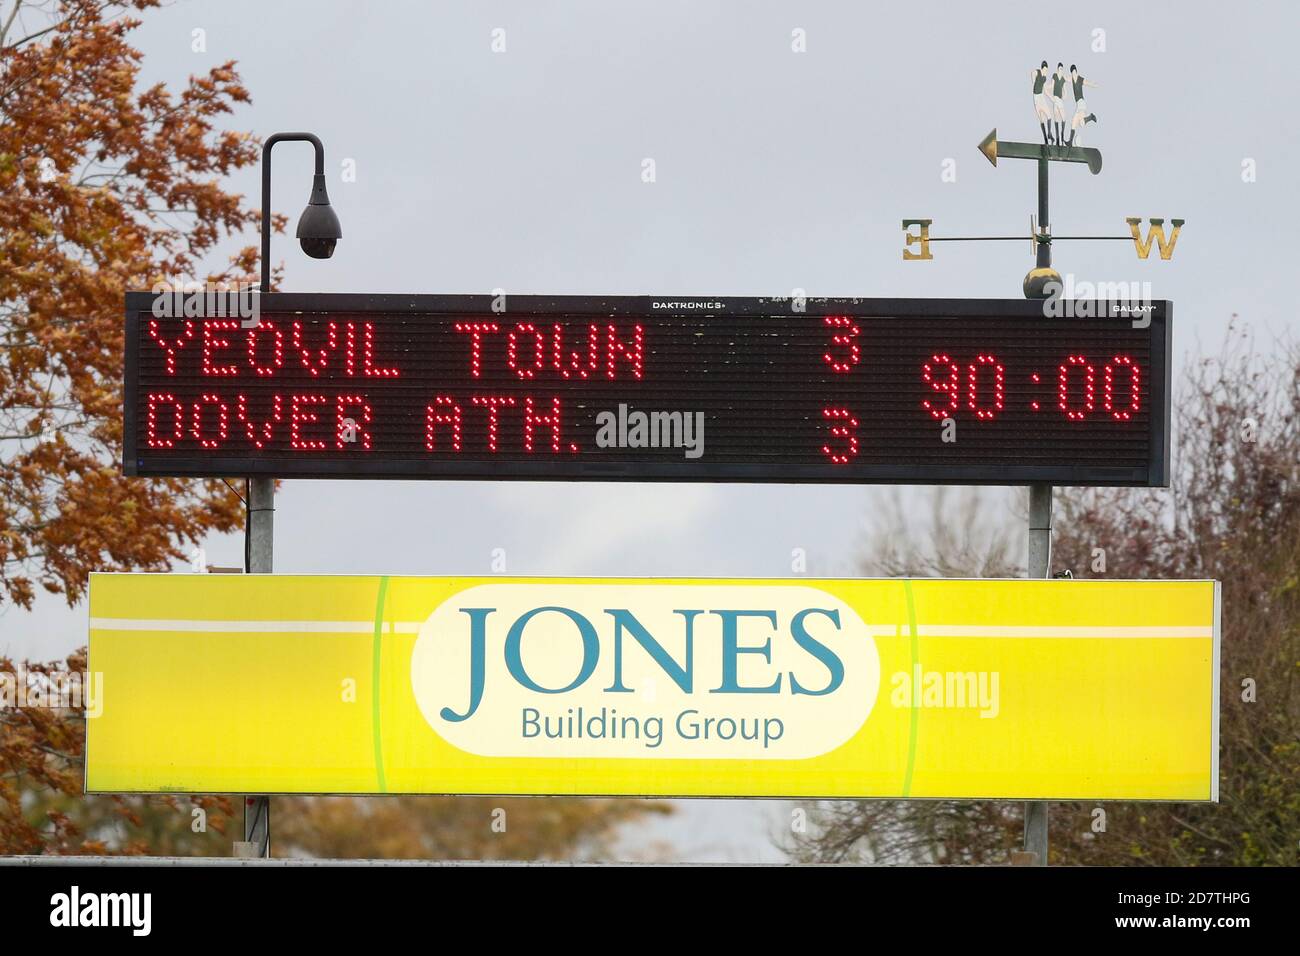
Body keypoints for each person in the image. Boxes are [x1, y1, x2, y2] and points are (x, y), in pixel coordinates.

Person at [1067, 65, 1099, 146]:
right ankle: (1070, 142)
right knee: (1079, 123)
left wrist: (1095, 85)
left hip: (1081, 103)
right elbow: (1065, 78)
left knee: (1076, 122)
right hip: (1079, 104)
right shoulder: (1071, 79)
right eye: (1072, 73)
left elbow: (1087, 82)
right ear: (1071, 73)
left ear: (1076, 72)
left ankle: (1091, 117)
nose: (1074, 75)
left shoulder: (1080, 79)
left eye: (1075, 72)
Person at [1031, 61, 1053, 144]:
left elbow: (1045, 89)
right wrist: (1033, 79)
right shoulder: (1038, 72)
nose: (1045, 72)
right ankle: (1046, 139)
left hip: (1041, 96)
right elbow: (1033, 72)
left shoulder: (1045, 77)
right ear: (1042, 68)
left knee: (1049, 116)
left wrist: (1051, 97)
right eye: (1044, 70)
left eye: (1046, 70)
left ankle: (1049, 134)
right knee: (1041, 119)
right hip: (1036, 98)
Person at [1050, 63, 1068, 147]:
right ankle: (1058, 138)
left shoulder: (1063, 79)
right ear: (1057, 69)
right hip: (1055, 98)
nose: (1061, 70)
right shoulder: (1054, 76)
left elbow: (1065, 91)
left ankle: (1061, 135)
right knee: (1056, 118)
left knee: (1063, 118)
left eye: (1062, 69)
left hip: (1059, 100)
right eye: (1060, 69)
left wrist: (1064, 96)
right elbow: (1051, 85)